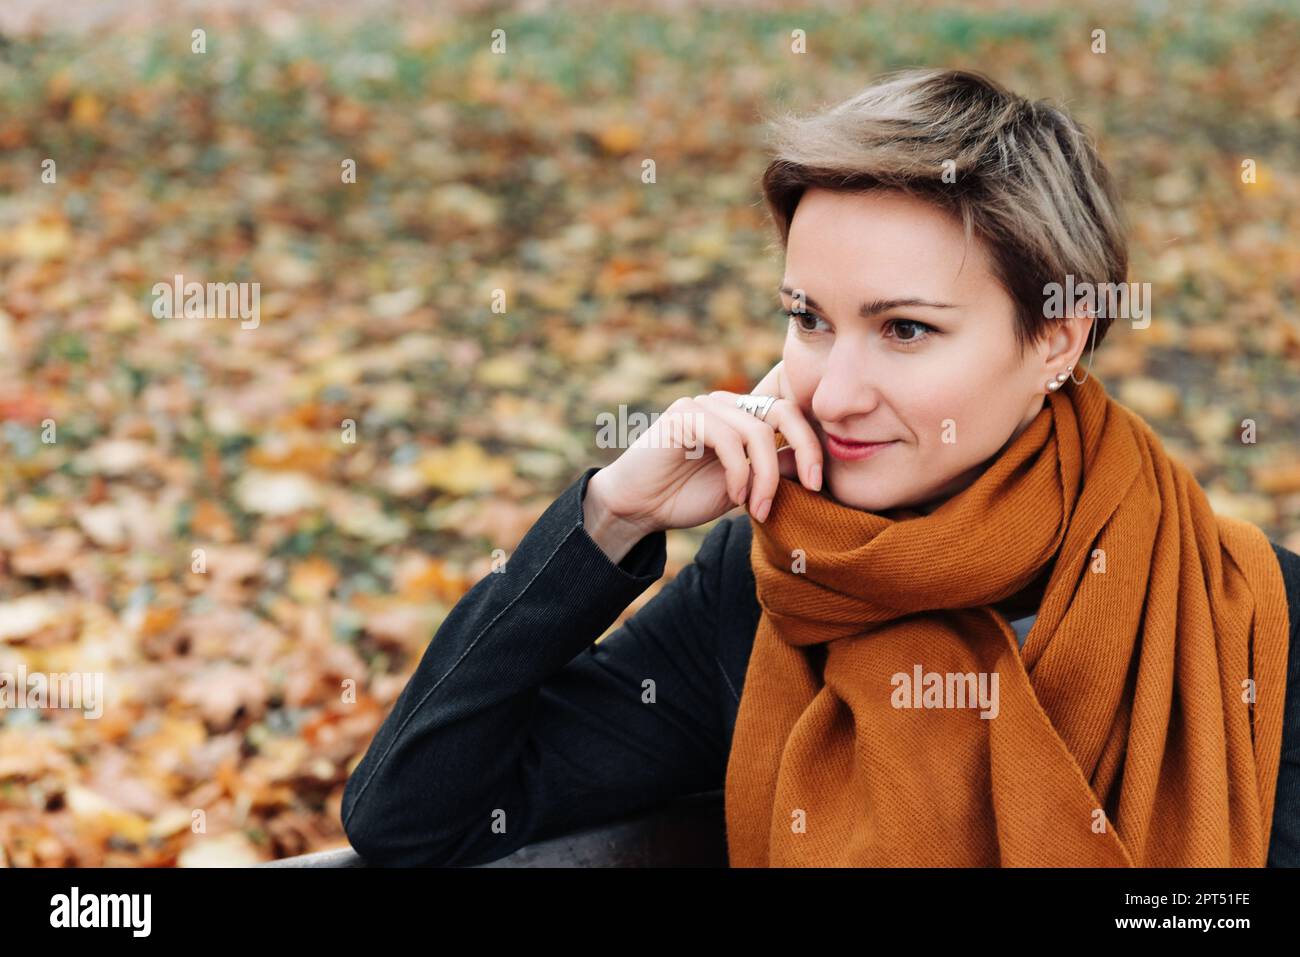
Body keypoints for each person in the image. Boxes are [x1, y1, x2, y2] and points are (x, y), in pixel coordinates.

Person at [341, 68, 1300, 867]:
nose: (833, 392)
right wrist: (613, 517)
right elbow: (413, 816)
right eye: (809, 319)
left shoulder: (1241, 615)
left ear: (1056, 334)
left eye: (906, 329)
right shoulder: (770, 586)